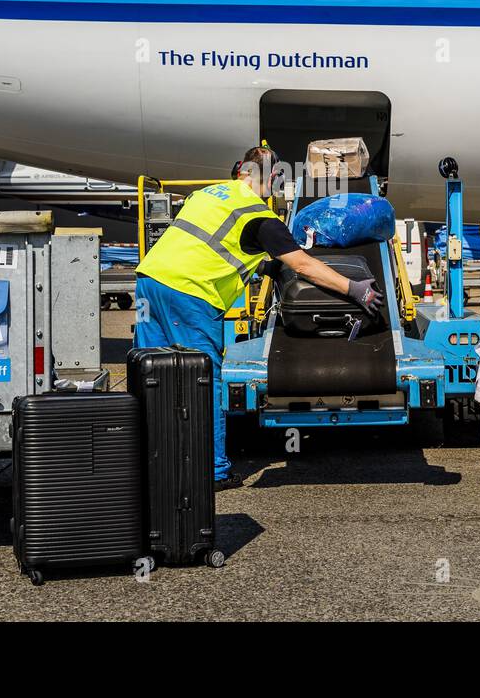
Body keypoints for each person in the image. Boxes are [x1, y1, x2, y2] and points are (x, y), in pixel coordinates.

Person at [134, 145, 384, 490]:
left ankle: (147, 466)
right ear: (272, 177)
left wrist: (265, 265)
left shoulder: (206, 195)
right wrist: (354, 289)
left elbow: (213, 244)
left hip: (149, 283)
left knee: (150, 376)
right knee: (202, 381)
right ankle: (214, 472)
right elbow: (303, 265)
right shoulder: (256, 215)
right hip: (188, 295)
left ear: (240, 170)